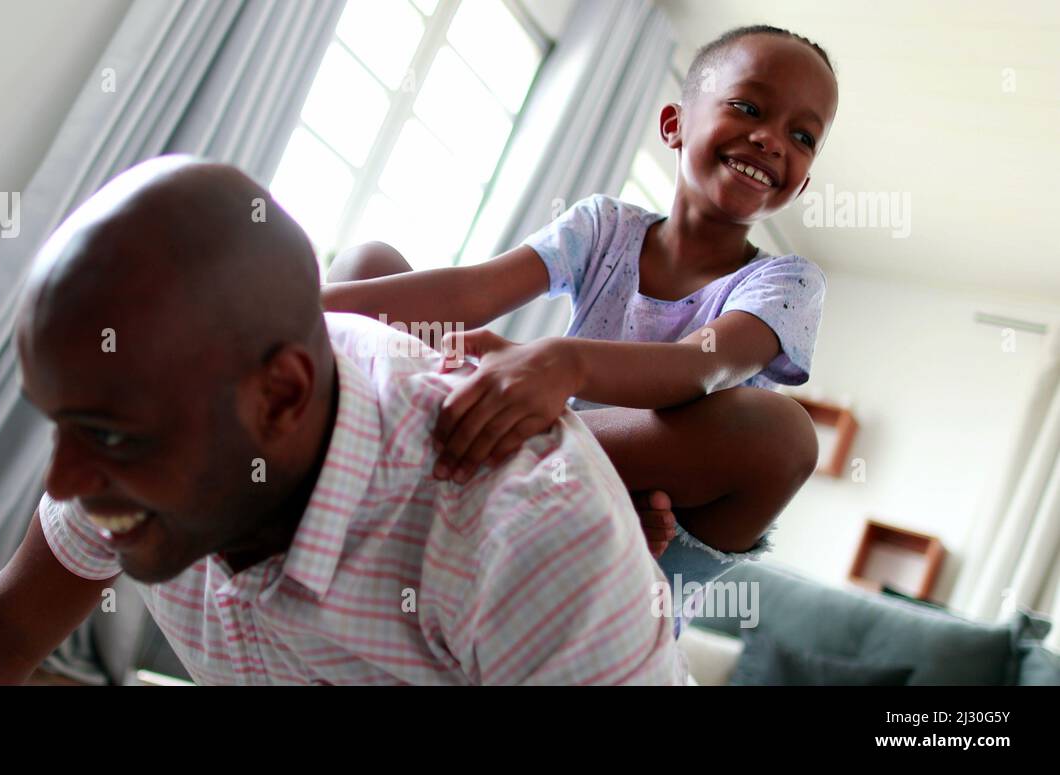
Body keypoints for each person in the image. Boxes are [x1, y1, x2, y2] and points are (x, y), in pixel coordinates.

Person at [0, 156, 685, 685]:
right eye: (62, 422)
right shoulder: (137, 422)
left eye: (110, 433)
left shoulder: (531, 541)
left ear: (279, 396)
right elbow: (9, 624)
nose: (66, 481)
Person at [322, 26, 837, 623]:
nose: (772, 140)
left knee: (782, 433)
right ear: (674, 124)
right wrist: (298, 303)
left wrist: (557, 362)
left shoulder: (790, 283)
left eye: (802, 136)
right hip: (549, 467)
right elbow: (475, 290)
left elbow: (701, 365)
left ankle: (454, 450)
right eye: (748, 106)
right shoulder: (605, 227)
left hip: (650, 544)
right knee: (369, 268)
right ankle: (464, 462)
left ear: (802, 180)